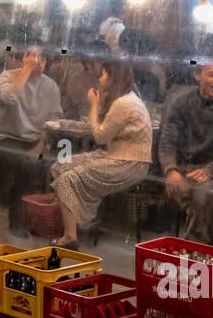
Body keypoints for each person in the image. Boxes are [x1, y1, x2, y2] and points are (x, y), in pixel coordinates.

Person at [51, 61, 152, 246]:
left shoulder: (124, 103)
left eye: (104, 75)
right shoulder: (123, 99)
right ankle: (81, 222)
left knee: (66, 180)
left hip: (129, 165)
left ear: (114, 79)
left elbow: (99, 136)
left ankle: (70, 236)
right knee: (61, 165)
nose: (100, 78)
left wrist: (94, 106)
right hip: (117, 157)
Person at [158, 58, 213, 243]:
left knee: (204, 195)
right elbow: (167, 141)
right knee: (186, 191)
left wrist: (210, 170)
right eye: (211, 74)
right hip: (186, 170)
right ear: (198, 75)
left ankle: (195, 250)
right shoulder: (181, 103)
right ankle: (202, 253)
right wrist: (171, 170)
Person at [0, 43, 62, 235]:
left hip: (35, 140)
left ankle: (39, 220)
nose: (37, 61)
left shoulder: (51, 86)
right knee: (25, 166)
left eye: (41, 58)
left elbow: (53, 121)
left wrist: (39, 147)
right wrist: (26, 70)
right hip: (5, 138)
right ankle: (19, 224)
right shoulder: (8, 76)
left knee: (53, 164)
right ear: (22, 58)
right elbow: (9, 99)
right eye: (30, 56)